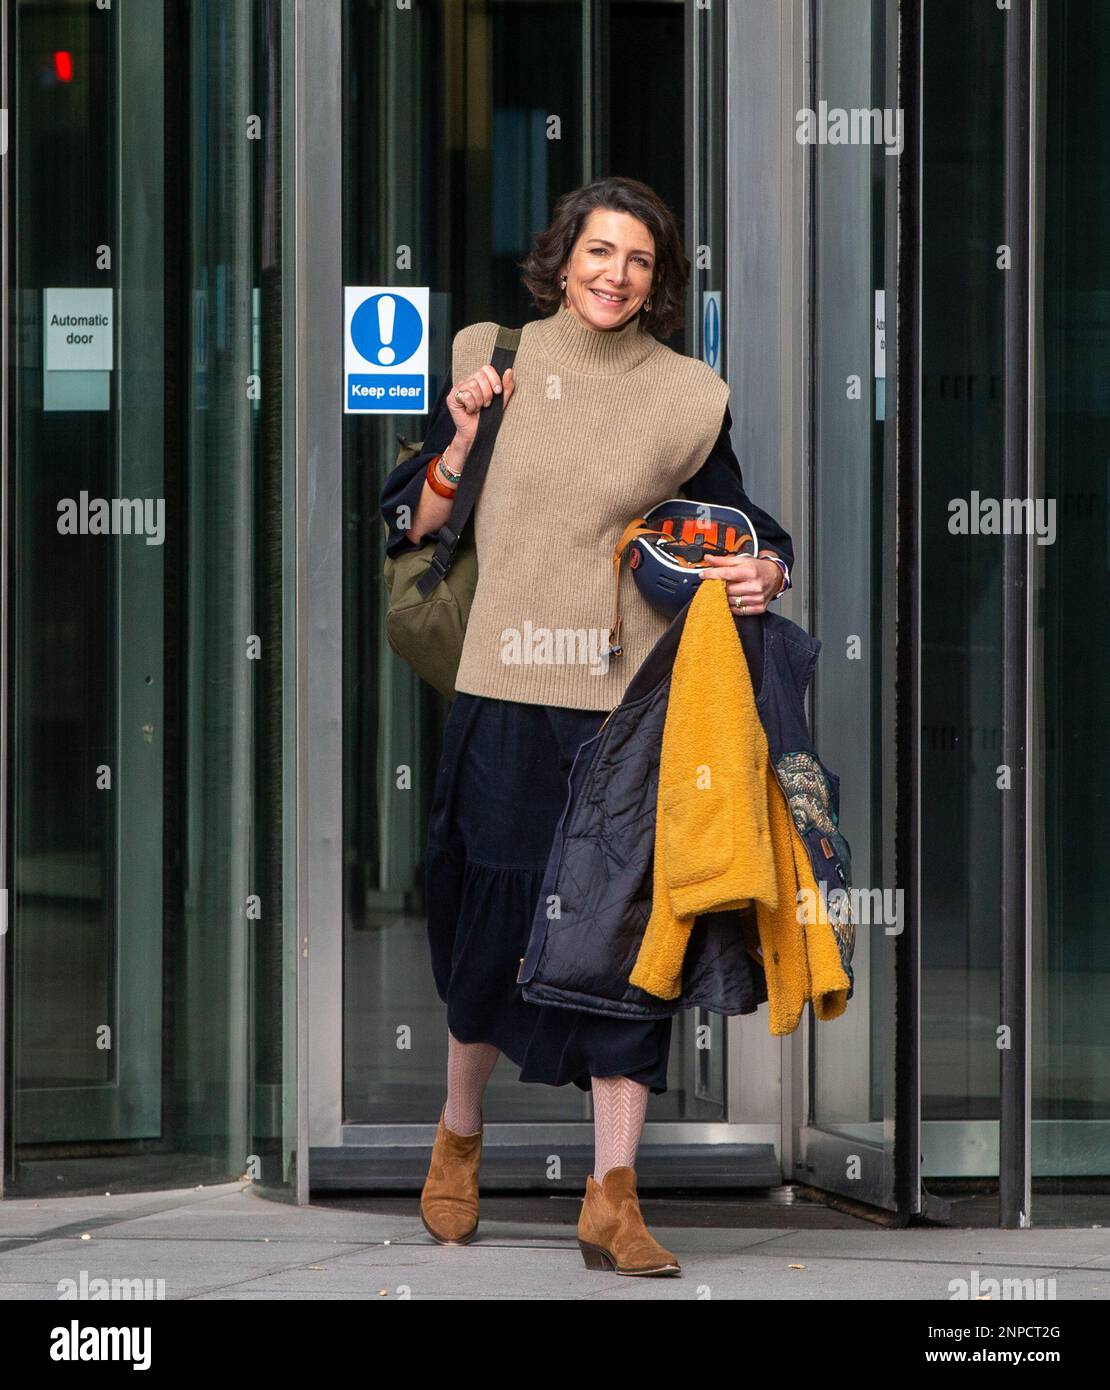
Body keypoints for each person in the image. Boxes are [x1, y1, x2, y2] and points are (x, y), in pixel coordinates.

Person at [379, 175, 795, 1276]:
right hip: (506, 698)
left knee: (626, 939)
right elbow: (414, 520)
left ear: (659, 284)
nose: (615, 275)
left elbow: (743, 527)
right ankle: (458, 1139)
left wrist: (763, 567)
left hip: (627, 713)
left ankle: (615, 1196)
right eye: (598, 252)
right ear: (563, 259)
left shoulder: (687, 396)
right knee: (489, 928)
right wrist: (464, 433)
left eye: (639, 261)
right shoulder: (497, 354)